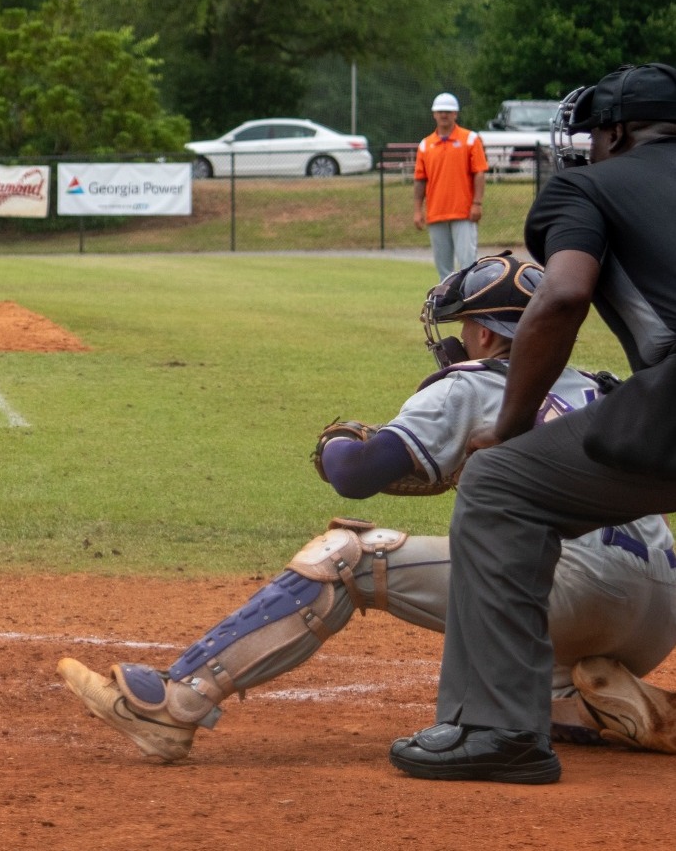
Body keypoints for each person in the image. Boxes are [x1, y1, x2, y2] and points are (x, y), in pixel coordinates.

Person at [57, 253, 676, 766]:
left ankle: (176, 703)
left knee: (349, 557)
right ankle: (593, 697)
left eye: (464, 326)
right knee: (506, 640)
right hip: (659, 611)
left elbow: (358, 476)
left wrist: (334, 443)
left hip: (572, 595)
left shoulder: (476, 381)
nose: (459, 339)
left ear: (487, 334)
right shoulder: (602, 385)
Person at [389, 63, 676, 784]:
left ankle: (499, 728)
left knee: (498, 485)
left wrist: (512, 423)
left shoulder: (587, 185)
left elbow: (562, 295)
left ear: (615, 132)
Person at [414, 92, 489, 279]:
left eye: (448, 111)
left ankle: (470, 302)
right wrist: (417, 210)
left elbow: (479, 172)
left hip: (463, 212)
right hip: (436, 212)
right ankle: (448, 306)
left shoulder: (470, 139)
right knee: (444, 270)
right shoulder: (425, 145)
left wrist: (477, 203)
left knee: (468, 265)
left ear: (455, 114)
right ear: (434, 114)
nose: (444, 115)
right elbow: (420, 180)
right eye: (440, 111)